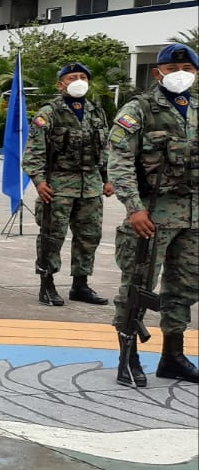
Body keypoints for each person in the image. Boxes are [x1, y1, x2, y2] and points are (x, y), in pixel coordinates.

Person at [107, 42, 198, 385]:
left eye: (187, 69)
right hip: (151, 215)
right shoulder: (139, 110)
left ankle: (173, 356)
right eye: (173, 70)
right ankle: (127, 356)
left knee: (185, 289)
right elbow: (119, 161)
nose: (180, 75)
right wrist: (134, 207)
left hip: (194, 217)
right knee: (137, 286)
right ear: (158, 73)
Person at [21, 62, 113, 307]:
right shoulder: (49, 113)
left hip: (91, 186)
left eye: (83, 76)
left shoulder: (96, 112)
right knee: (52, 237)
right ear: (60, 83)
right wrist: (39, 182)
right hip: (58, 186)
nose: (78, 81)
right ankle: (47, 283)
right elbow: (33, 153)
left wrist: (107, 178)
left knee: (89, 236)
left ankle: (80, 285)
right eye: (72, 77)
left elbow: (104, 148)